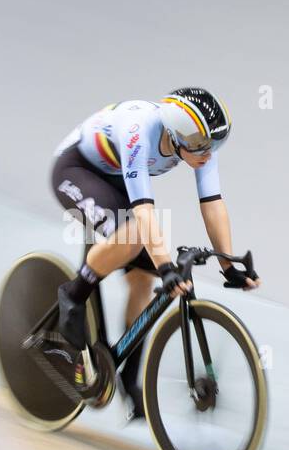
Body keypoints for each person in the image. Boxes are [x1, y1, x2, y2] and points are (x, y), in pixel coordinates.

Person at [50, 88, 260, 420]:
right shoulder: (140, 131)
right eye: (205, 145)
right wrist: (166, 266)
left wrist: (227, 263)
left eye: (216, 144)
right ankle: (73, 295)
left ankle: (129, 382)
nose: (210, 154)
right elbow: (144, 211)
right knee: (134, 236)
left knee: (142, 279)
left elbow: (213, 203)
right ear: (180, 136)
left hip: (115, 180)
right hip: (77, 169)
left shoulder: (197, 143)